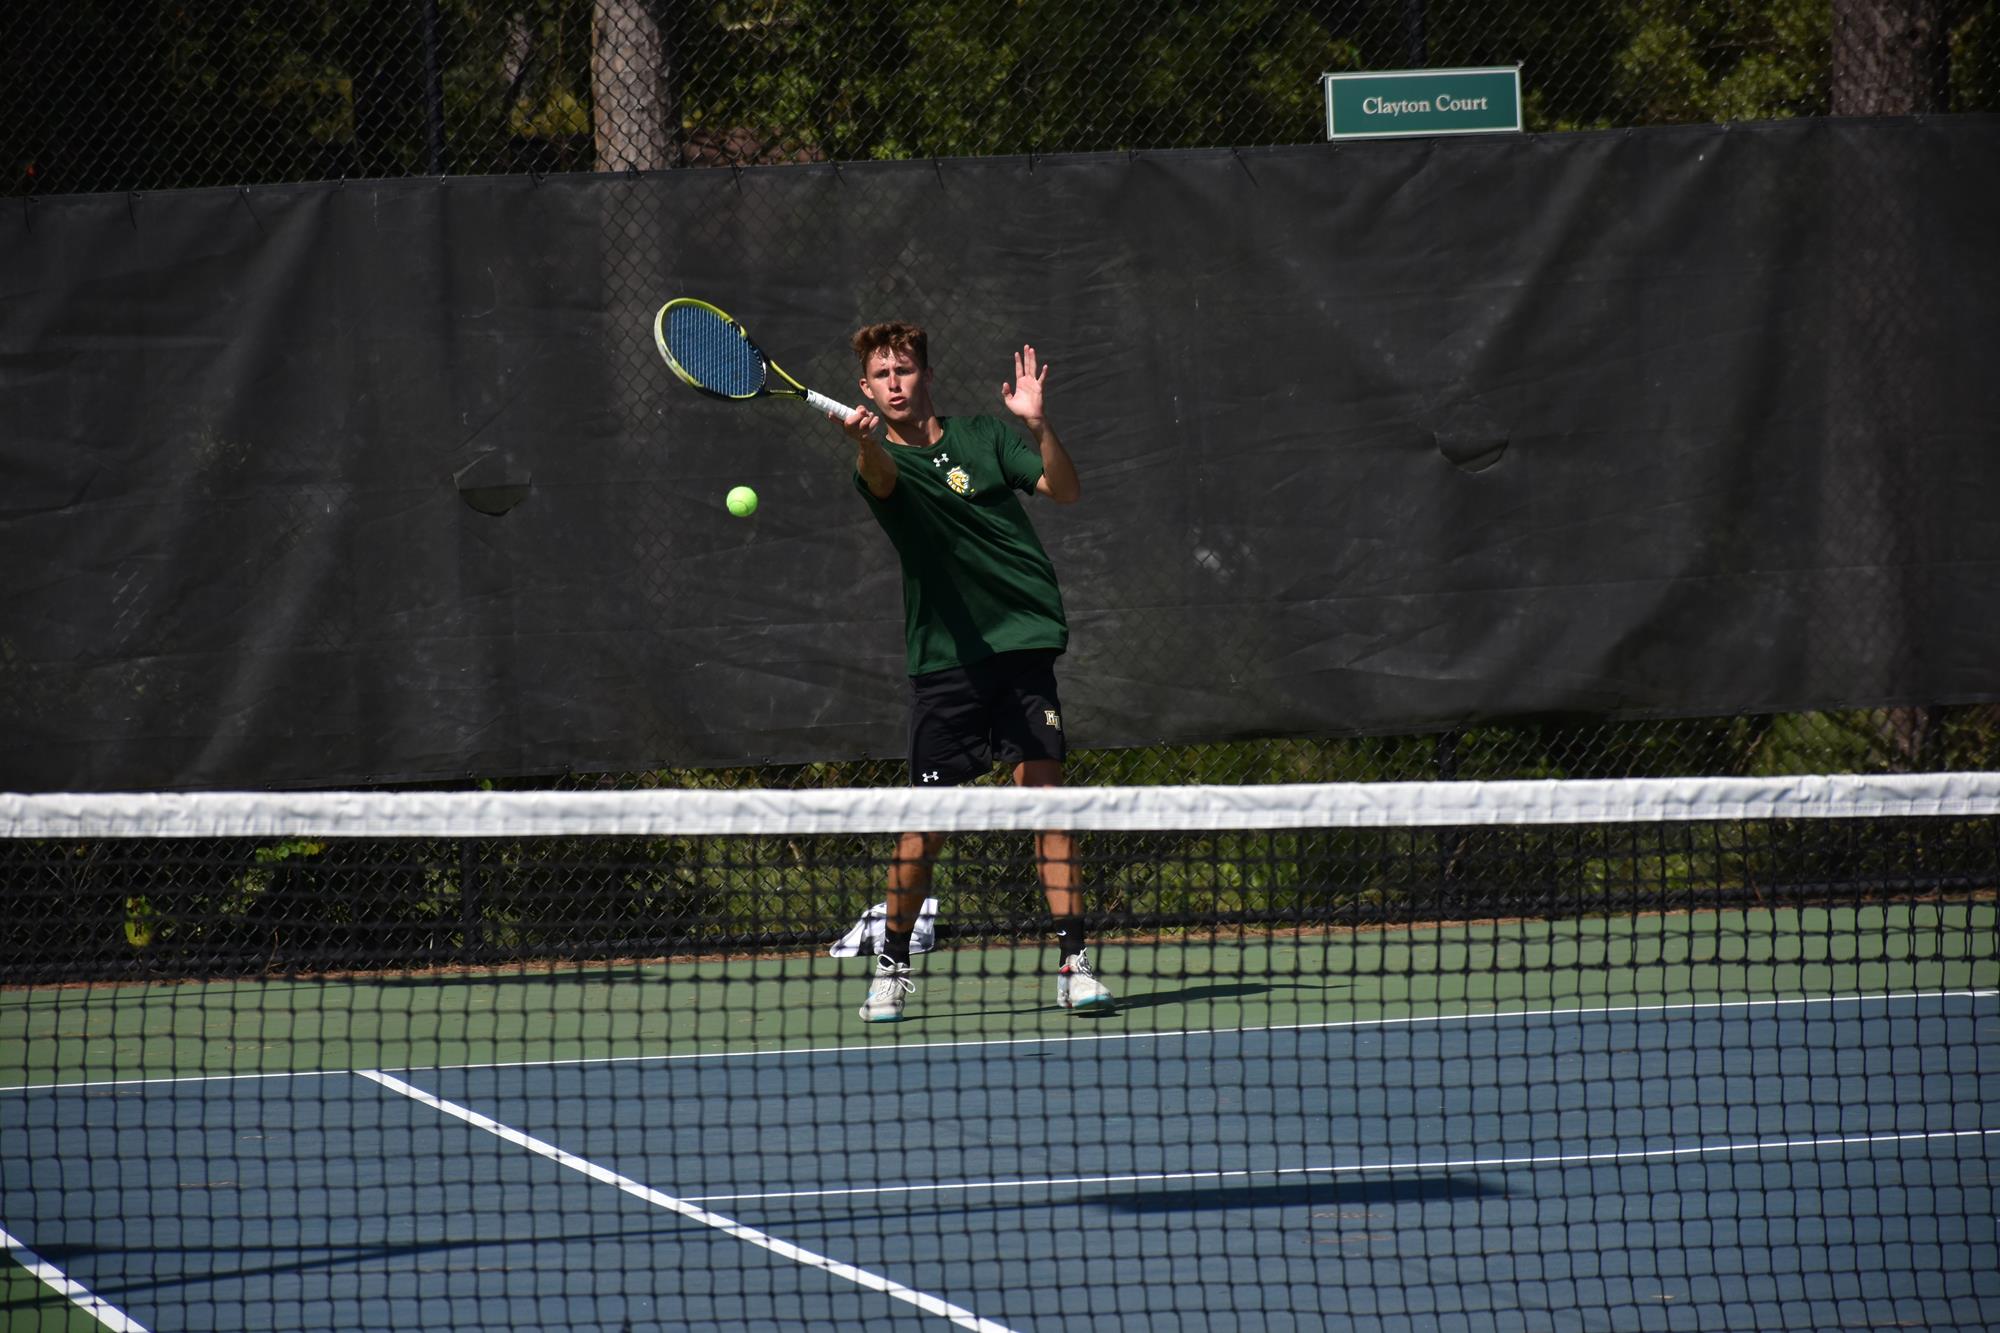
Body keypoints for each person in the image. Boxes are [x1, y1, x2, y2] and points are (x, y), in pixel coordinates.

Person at [833, 321, 1113, 1022]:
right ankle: (892, 963)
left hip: (1022, 646)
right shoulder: (877, 461)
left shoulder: (987, 437)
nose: (895, 382)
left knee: (1047, 804)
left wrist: (1040, 425)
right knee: (924, 828)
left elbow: (1065, 487)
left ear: (925, 375)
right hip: (945, 663)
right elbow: (883, 477)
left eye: (904, 369)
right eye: (881, 375)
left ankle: (1074, 961)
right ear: (865, 389)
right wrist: (866, 443)